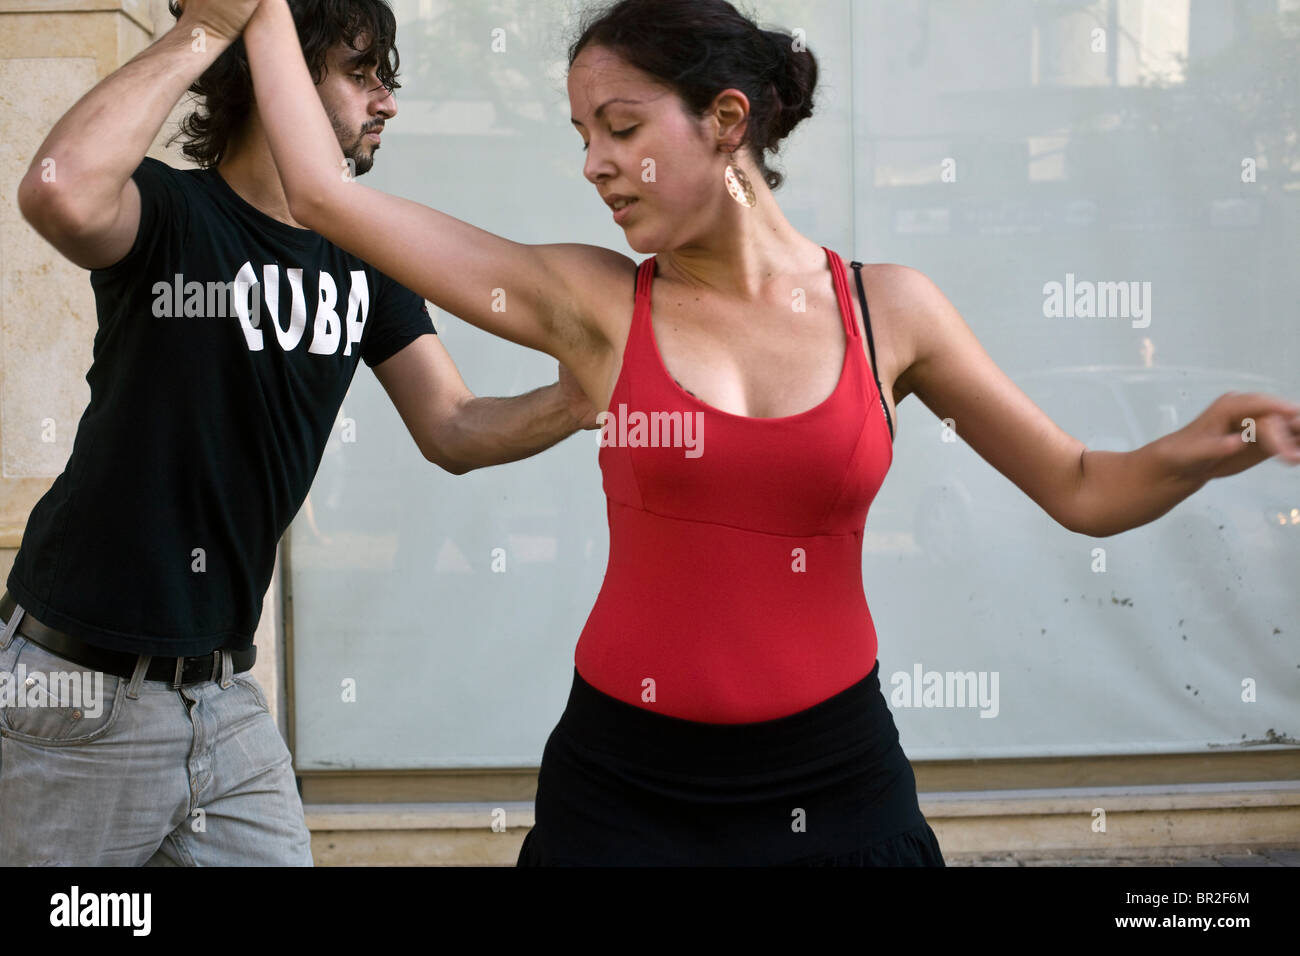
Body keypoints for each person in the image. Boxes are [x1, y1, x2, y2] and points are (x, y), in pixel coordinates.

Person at [241, 0, 1300, 865]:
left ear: (726, 119)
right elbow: (326, 198)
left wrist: (1219, 443)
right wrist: (243, 17)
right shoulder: (594, 303)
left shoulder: (892, 311)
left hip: (834, 784)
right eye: (580, 137)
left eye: (620, 128)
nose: (593, 165)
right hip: (624, 790)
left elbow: (1079, 483)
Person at [0, 0, 596, 866]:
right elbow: (58, 189)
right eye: (360, 74)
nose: (386, 101)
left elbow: (454, 426)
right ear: (271, 73)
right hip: (80, 687)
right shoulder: (170, 213)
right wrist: (205, 26)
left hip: (224, 697)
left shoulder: (362, 257)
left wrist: (575, 401)